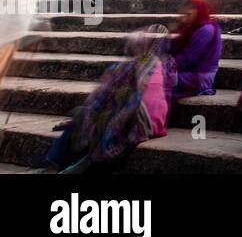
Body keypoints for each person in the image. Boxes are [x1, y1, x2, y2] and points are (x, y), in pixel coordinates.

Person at [43, 25, 173, 173]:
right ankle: (61, 163)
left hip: (139, 121)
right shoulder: (160, 63)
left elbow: (116, 99)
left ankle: (56, 164)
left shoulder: (132, 67)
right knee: (84, 116)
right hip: (155, 122)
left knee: (82, 116)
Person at [170, 0, 222, 99]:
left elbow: (189, 58)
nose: (184, 18)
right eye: (183, 15)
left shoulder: (206, 30)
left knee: (156, 78)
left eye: (188, 14)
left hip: (199, 77)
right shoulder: (192, 27)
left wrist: (166, 66)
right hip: (187, 72)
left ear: (199, 12)